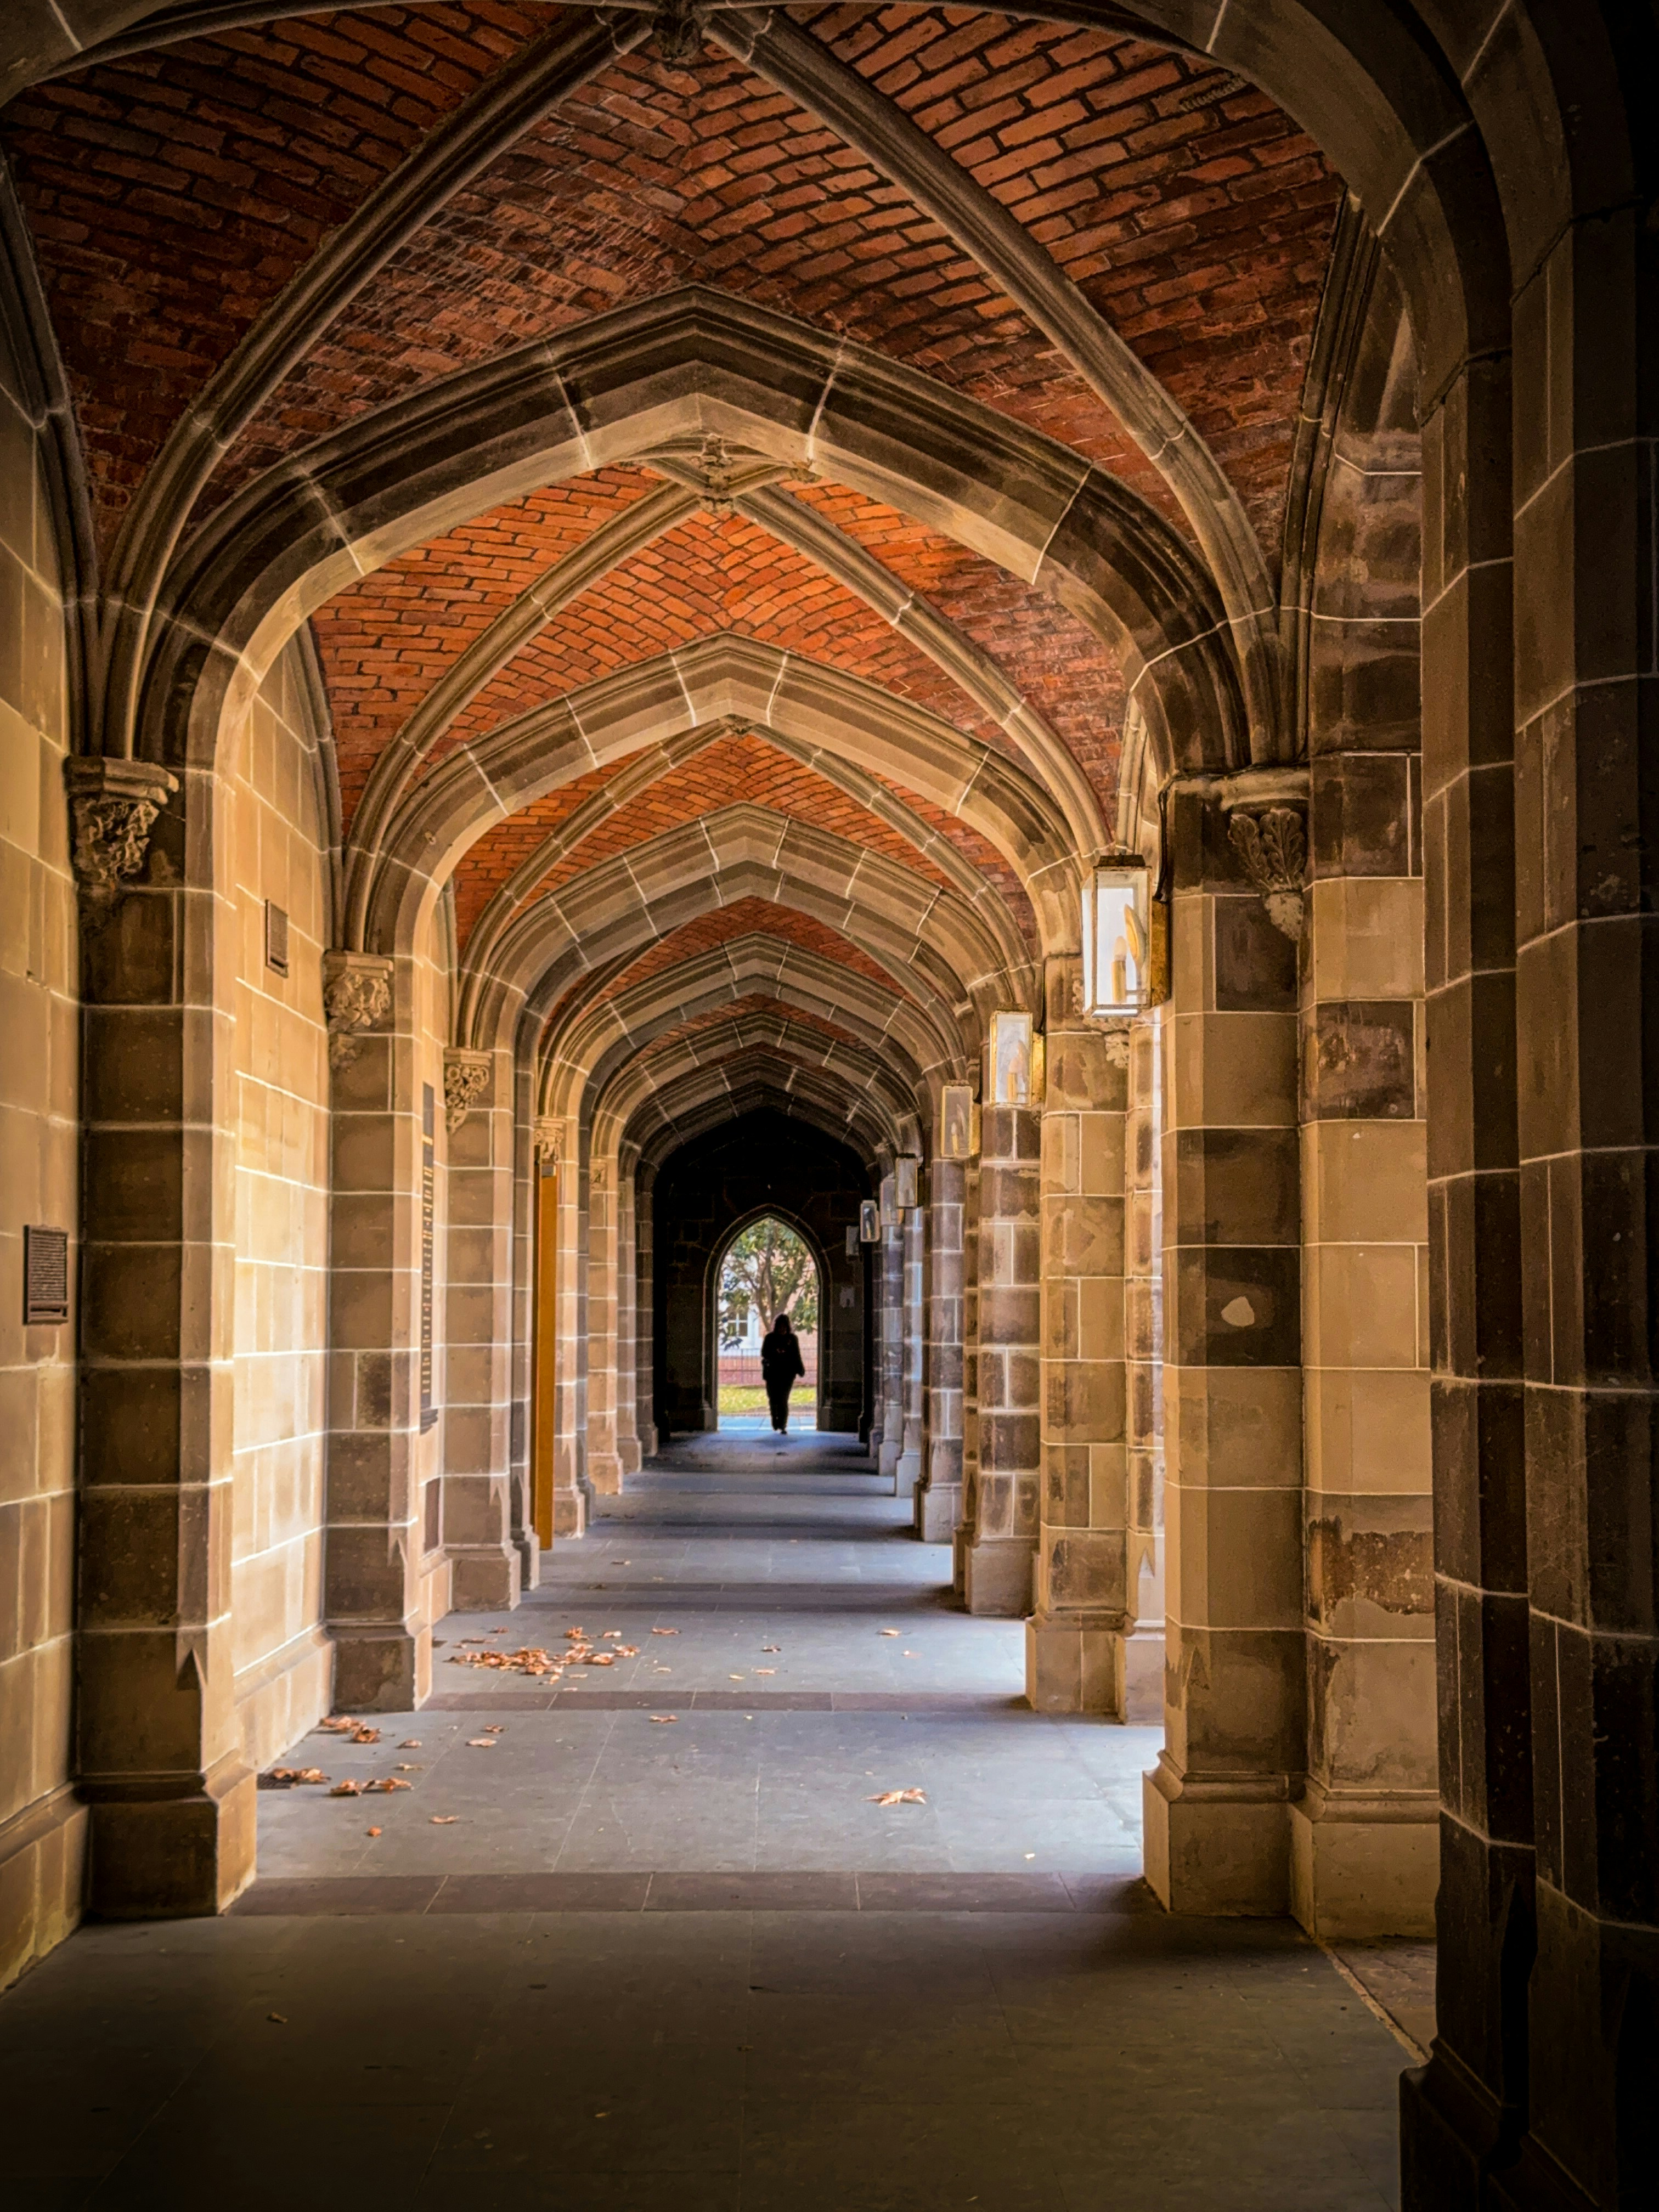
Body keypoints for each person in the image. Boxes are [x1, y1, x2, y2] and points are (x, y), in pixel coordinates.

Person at [760, 1311, 805, 1434]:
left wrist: (801, 1369)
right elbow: (764, 1353)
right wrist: (776, 1353)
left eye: (784, 1327)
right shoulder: (770, 1338)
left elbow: (796, 1355)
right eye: (780, 1327)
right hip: (772, 1374)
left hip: (787, 1374)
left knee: (783, 1399)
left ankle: (783, 1425)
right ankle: (775, 1419)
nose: (782, 1329)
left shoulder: (792, 1339)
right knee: (773, 1399)